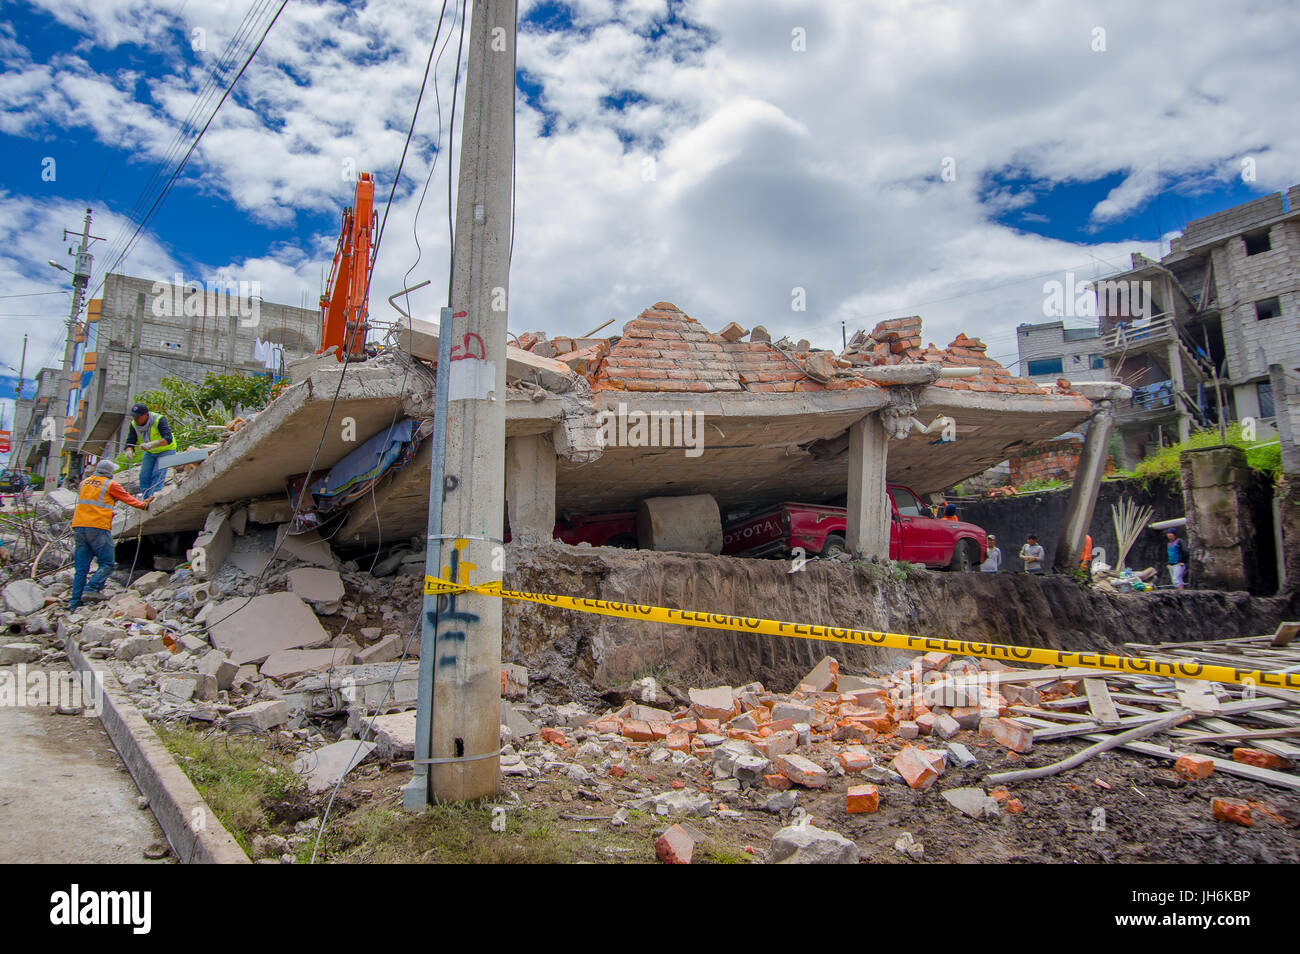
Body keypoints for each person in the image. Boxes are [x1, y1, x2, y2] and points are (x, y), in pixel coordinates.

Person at [69, 459, 149, 611]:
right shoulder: (111, 484)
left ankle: (74, 602)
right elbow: (128, 499)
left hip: (79, 526)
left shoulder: (84, 483)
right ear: (109, 472)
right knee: (107, 563)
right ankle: (92, 588)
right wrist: (143, 505)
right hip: (98, 526)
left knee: (81, 568)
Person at [125, 402, 177, 499]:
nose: (135, 419)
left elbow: (168, 439)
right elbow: (130, 440)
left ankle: (153, 498)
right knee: (144, 476)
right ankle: (145, 499)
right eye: (134, 417)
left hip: (166, 450)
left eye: (138, 417)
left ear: (145, 415)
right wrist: (129, 450)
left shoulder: (158, 420)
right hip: (151, 452)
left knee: (157, 475)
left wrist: (152, 444)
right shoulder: (134, 424)